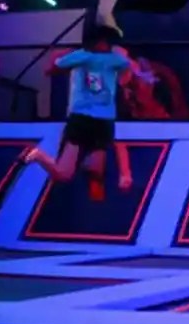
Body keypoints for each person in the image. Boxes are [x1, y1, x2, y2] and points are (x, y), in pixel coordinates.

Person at [20, 25, 135, 201]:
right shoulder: (82, 56)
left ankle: (91, 173)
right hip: (82, 118)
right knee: (64, 174)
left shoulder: (112, 59)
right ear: (99, 42)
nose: (110, 46)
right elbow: (52, 68)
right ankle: (38, 155)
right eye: (107, 42)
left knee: (96, 170)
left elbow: (128, 70)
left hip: (104, 121)